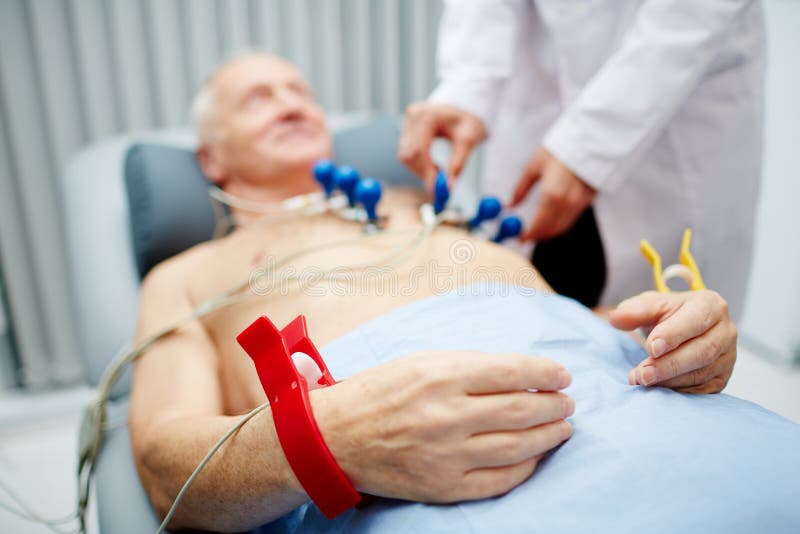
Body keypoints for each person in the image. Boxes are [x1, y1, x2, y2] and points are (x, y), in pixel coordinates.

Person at [129, 53, 740, 532]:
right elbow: (165, 468)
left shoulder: (423, 209)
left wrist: (676, 334)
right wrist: (333, 437)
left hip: (626, 406)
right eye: (257, 98)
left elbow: (557, 323)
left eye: (301, 93)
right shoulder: (187, 273)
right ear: (209, 158)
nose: (292, 105)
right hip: (419, 475)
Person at [399, 0, 764, 315]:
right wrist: (468, 84)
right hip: (538, 97)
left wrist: (592, 143)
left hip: (674, 103)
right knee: (531, 310)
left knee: (670, 352)